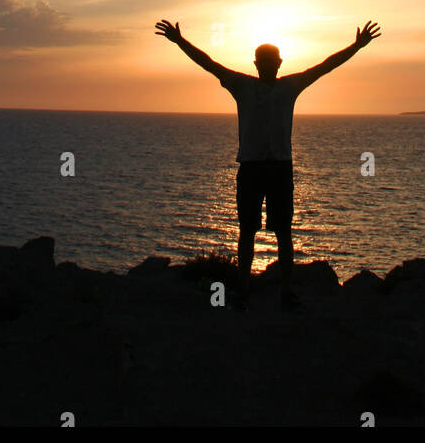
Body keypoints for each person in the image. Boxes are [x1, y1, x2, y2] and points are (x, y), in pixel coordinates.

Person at [154, 16, 381, 310]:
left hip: (277, 168)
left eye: (271, 60)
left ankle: (283, 293)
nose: (268, 65)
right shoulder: (242, 85)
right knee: (248, 230)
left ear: (279, 62)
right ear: (257, 63)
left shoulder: (288, 86)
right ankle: (246, 291)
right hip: (252, 167)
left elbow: (326, 66)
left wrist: (356, 46)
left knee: (283, 231)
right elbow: (208, 63)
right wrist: (180, 42)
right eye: (264, 60)